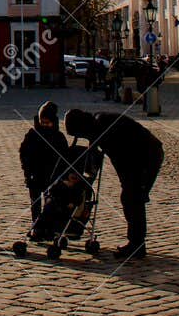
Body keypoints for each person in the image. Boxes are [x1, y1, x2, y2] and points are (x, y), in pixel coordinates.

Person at [66, 108, 164, 260]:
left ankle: (136, 245)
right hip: (143, 154)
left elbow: (122, 159)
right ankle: (137, 243)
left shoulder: (102, 127)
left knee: (132, 198)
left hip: (146, 155)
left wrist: (128, 183)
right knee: (132, 198)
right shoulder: (98, 122)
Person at [19, 101, 67, 227]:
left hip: (52, 175)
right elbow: (24, 153)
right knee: (35, 203)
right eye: (42, 122)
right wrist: (27, 171)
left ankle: (47, 226)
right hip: (34, 174)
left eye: (47, 122)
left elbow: (64, 156)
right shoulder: (32, 134)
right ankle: (35, 224)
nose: (44, 125)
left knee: (50, 202)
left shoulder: (58, 136)